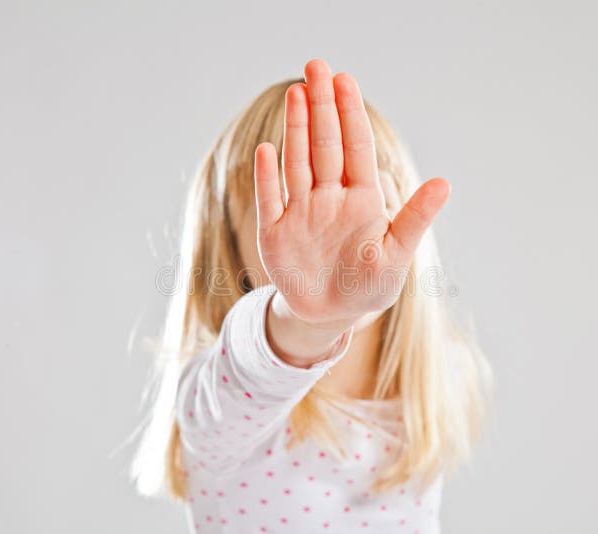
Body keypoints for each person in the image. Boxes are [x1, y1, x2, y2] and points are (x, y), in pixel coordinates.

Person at [132, 58, 491, 533]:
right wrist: (312, 318)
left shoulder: (438, 374)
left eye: (350, 193)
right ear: (232, 247)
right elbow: (250, 365)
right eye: (292, 203)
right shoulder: (216, 404)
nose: (335, 227)